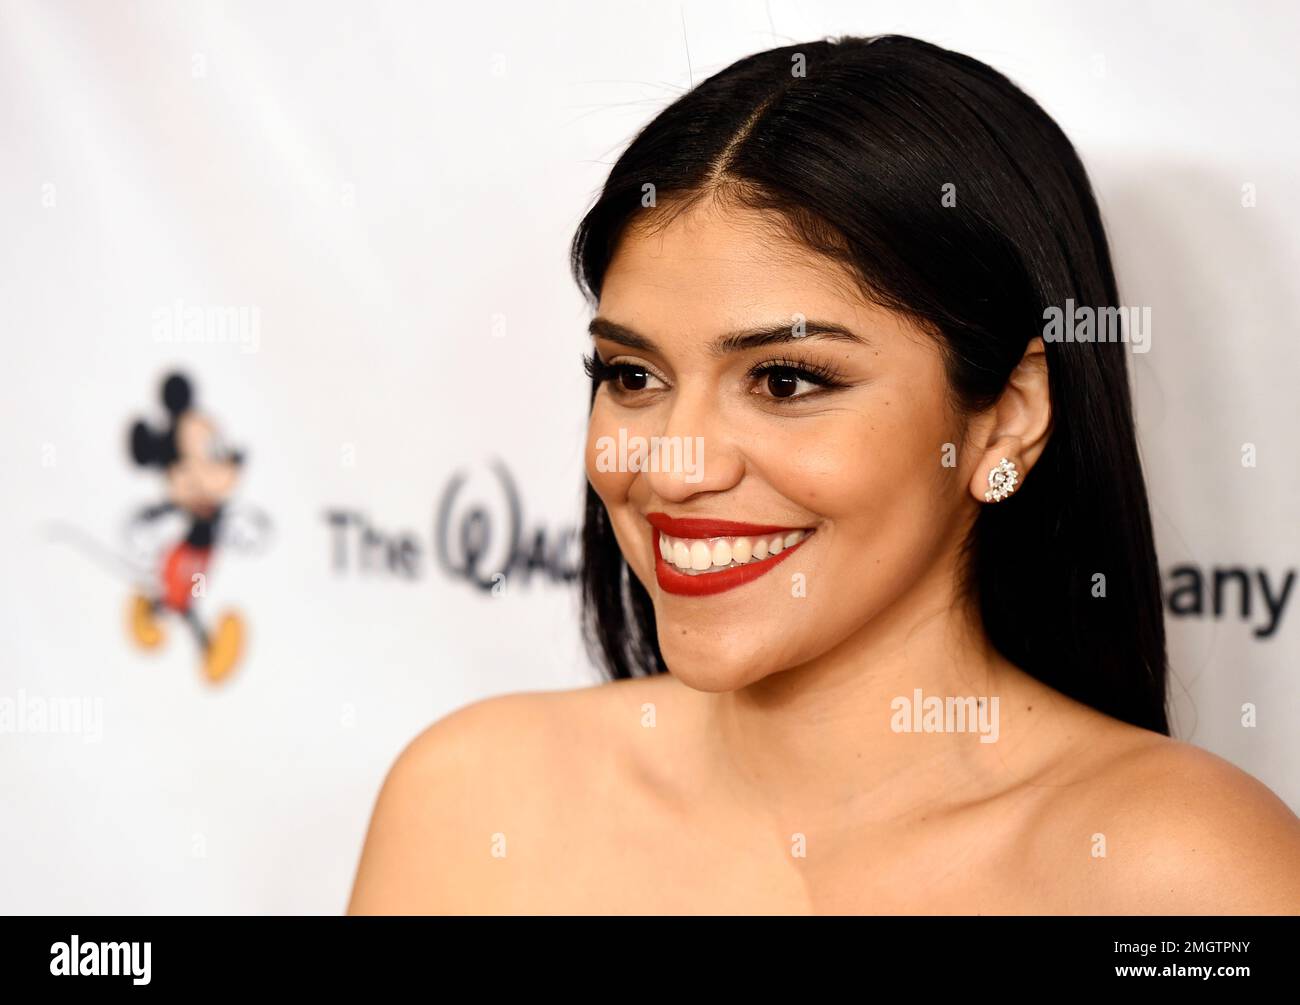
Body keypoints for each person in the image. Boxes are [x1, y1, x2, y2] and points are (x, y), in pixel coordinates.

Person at [348, 34, 1300, 914]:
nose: (675, 467)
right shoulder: (468, 805)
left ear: (1006, 416)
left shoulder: (1184, 873)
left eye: (786, 379)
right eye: (632, 376)